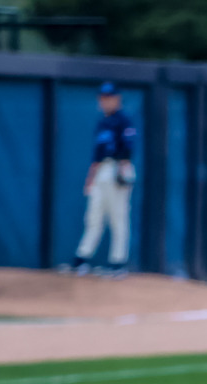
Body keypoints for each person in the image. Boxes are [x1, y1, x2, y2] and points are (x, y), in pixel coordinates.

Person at [70, 82, 137, 276]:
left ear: (117, 99)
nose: (104, 102)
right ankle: (81, 259)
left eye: (108, 98)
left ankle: (118, 262)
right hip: (101, 170)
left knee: (118, 216)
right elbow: (97, 154)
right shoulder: (102, 122)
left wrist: (123, 172)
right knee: (93, 215)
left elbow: (128, 147)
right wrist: (90, 178)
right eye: (102, 98)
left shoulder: (124, 120)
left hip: (118, 167)